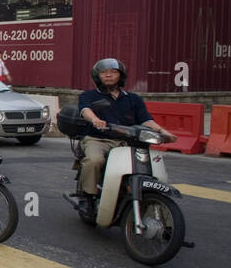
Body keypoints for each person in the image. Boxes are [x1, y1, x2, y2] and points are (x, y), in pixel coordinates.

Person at [74, 58, 172, 215]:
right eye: (104, 72)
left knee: (147, 165)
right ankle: (87, 197)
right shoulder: (89, 95)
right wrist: (95, 120)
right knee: (94, 160)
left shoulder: (133, 99)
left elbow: (146, 120)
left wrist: (163, 131)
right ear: (97, 77)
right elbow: (85, 110)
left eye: (113, 72)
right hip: (98, 139)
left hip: (127, 142)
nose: (108, 75)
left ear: (120, 76)